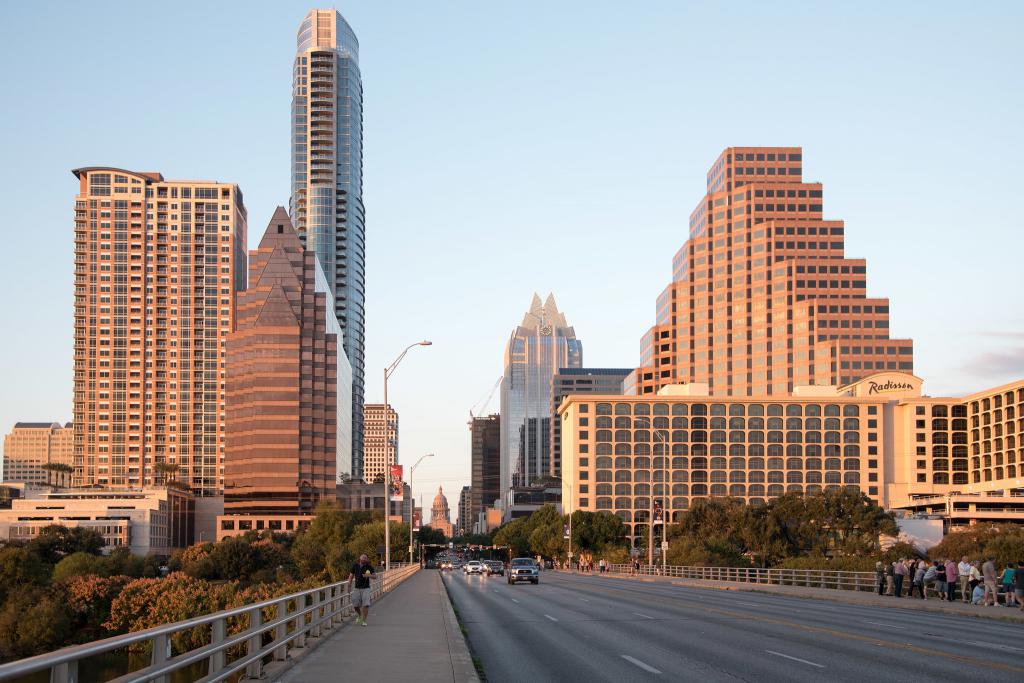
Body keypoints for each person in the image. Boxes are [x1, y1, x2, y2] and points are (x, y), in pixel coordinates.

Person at [348, 553, 375, 626]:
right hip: (357, 588)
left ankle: (364, 621)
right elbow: (351, 576)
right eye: (363, 557)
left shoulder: (369, 567)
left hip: (366, 588)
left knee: (365, 605)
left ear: (367, 559)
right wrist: (349, 585)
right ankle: (359, 615)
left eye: (365, 558)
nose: (364, 559)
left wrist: (368, 575)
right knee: (355, 604)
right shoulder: (355, 566)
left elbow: (375, 576)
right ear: (360, 558)